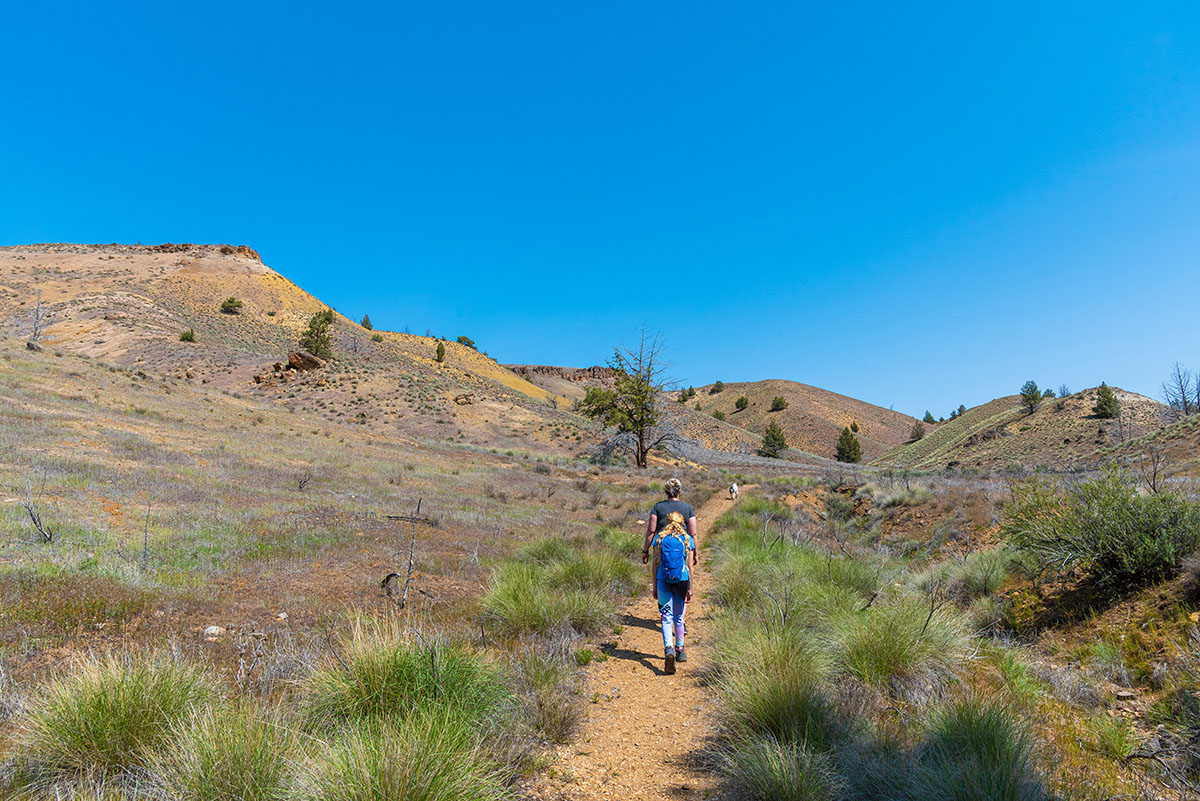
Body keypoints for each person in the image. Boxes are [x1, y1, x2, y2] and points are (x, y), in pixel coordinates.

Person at [642, 477, 697, 674]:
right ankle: (681, 649)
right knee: (678, 617)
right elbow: (689, 566)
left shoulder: (659, 537)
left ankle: (668, 650)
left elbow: (655, 563)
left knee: (665, 618)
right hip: (682, 581)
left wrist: (655, 586)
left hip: (663, 580)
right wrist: (690, 587)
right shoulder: (687, 539)